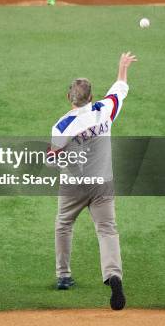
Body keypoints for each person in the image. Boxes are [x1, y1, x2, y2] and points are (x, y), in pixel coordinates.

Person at [49, 52, 137, 310]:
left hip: (74, 186)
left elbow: (53, 159)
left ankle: (63, 276)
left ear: (69, 98)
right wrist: (122, 67)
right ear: (91, 97)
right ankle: (114, 276)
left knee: (64, 224)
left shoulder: (62, 126)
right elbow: (119, 91)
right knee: (107, 230)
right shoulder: (103, 110)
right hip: (103, 184)